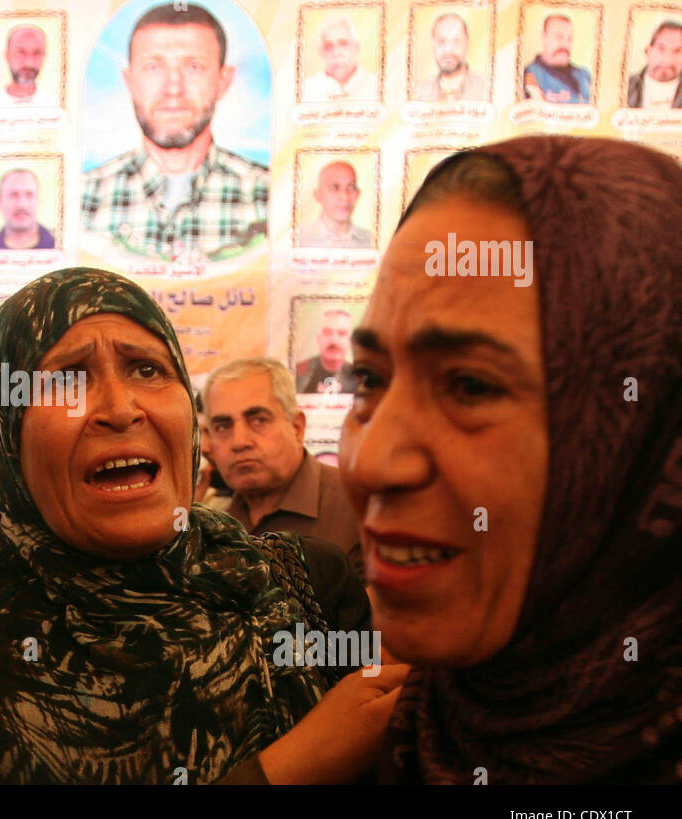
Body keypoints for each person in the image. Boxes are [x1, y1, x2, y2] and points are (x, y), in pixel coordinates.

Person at [0, 267, 395, 785]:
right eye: (68, 380)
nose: (121, 408)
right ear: (8, 437)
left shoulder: (305, 590)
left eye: (148, 369)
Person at [343, 136, 682, 783]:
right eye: (368, 378)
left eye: (470, 386)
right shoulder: (410, 733)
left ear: (643, 429)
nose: (369, 463)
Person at [80, 3, 269, 261]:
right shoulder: (81, 200)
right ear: (129, 81)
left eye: (193, 67)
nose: (173, 88)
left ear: (223, 81)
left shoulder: (269, 197)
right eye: (153, 67)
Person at [203, 359, 361, 570]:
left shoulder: (359, 505)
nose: (239, 442)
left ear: (296, 428)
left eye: (259, 420)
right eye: (223, 426)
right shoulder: (212, 526)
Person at [302, 15, 379, 101]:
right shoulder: (306, 91)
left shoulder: (376, 87)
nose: (336, 52)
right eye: (328, 46)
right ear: (321, 52)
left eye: (343, 44)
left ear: (357, 47)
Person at [414, 12, 488, 101]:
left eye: (456, 41)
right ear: (433, 45)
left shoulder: (486, 90)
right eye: (441, 41)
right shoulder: (419, 93)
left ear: (467, 44)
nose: (448, 50)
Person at [299, 161, 373, 249]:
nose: (345, 196)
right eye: (334, 187)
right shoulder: (299, 240)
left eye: (351, 187)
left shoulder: (371, 242)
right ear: (317, 195)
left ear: (358, 194)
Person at [523, 14, 592, 104]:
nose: (565, 45)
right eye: (559, 37)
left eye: (570, 39)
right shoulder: (528, 76)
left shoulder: (584, 76)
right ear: (544, 37)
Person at [0, 24, 54, 108]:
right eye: (21, 53)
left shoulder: (55, 106)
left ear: (44, 56)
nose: (29, 63)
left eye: (37, 53)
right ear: (7, 55)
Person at [0, 168, 55, 249]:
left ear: (39, 201)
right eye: (13, 195)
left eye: (29, 195)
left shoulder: (60, 249)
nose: (22, 204)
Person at [296, 309, 359, 393]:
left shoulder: (359, 379)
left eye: (342, 333)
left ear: (350, 340)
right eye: (327, 333)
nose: (334, 340)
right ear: (318, 338)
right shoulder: (296, 373)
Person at [627, 20, 682, 109]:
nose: (667, 59)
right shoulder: (624, 88)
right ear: (648, 51)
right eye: (661, 49)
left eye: (678, 51)